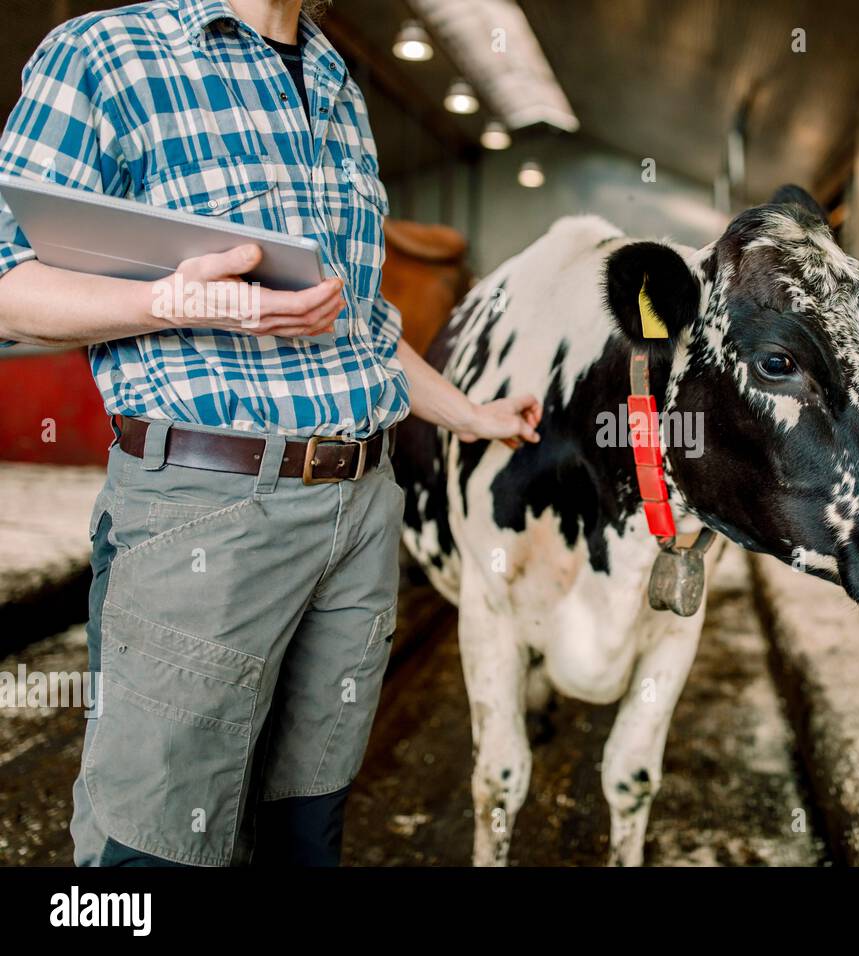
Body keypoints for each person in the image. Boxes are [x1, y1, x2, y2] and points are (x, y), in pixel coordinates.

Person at [0, 0, 540, 866]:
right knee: (156, 837)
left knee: (304, 824)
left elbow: (359, 327)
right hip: (209, 505)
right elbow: (8, 285)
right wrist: (170, 301)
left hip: (361, 511)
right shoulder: (109, 53)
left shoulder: (334, 81)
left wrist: (473, 414)